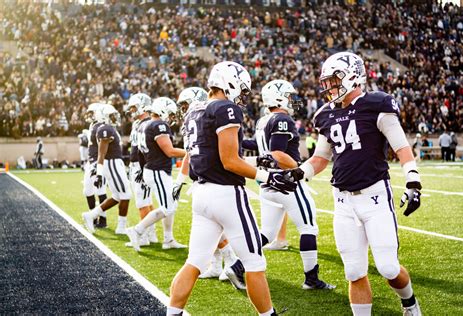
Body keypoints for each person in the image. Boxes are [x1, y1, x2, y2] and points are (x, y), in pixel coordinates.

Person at [292, 52, 422, 315]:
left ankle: (410, 303)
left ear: (353, 76)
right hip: (343, 201)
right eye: (326, 82)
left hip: (375, 196)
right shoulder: (326, 114)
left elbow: (402, 147)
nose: (329, 87)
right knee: (353, 270)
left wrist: (413, 182)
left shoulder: (377, 104)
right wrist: (299, 173)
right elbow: (320, 158)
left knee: (388, 267)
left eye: (334, 80)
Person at [167, 61, 297, 316]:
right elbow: (230, 161)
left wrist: (258, 161)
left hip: (201, 194)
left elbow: (212, 155)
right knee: (254, 263)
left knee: (194, 262)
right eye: (243, 89)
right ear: (230, 82)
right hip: (226, 195)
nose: (244, 95)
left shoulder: (194, 110)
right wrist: (267, 177)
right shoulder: (226, 107)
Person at [251, 79, 334, 290]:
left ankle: (237, 266)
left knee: (267, 233)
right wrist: (299, 167)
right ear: (279, 98)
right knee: (308, 228)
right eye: (290, 96)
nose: (293, 100)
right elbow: (278, 153)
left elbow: (260, 149)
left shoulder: (263, 120)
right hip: (286, 181)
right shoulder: (282, 119)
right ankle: (311, 279)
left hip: (266, 182)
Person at [173, 87, 239, 283]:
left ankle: (231, 261)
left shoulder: (208, 117)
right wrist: (180, 180)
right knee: (213, 229)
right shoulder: (194, 119)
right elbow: (189, 153)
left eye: (185, 104)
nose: (184, 109)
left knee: (219, 228)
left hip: (216, 181)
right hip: (201, 181)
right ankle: (217, 264)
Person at [126, 97, 187, 251]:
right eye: (171, 114)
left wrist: (142, 167)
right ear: (163, 110)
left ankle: (168, 239)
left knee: (170, 204)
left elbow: (139, 152)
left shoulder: (144, 125)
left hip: (153, 169)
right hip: (157, 170)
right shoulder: (158, 125)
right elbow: (170, 151)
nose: (172, 118)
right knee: (168, 207)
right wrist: (192, 152)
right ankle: (137, 230)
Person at [82, 104, 132, 235]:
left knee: (116, 196)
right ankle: (121, 227)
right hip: (113, 164)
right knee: (126, 194)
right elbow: (101, 154)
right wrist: (98, 173)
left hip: (114, 163)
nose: (115, 118)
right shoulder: (105, 129)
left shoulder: (108, 128)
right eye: (112, 116)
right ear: (104, 116)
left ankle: (91, 215)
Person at [125, 93, 156, 247]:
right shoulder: (138, 123)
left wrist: (144, 169)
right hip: (136, 165)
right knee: (147, 201)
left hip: (141, 165)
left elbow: (146, 149)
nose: (131, 110)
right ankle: (152, 233)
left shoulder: (148, 123)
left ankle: (143, 236)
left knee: (142, 202)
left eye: (133, 107)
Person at [82, 103, 108, 228]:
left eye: (91, 112)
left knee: (100, 190)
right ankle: (94, 215)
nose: (89, 115)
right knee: (87, 190)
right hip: (90, 161)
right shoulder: (93, 125)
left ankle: (103, 219)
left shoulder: (100, 127)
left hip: (96, 162)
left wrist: (99, 166)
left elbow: (101, 149)